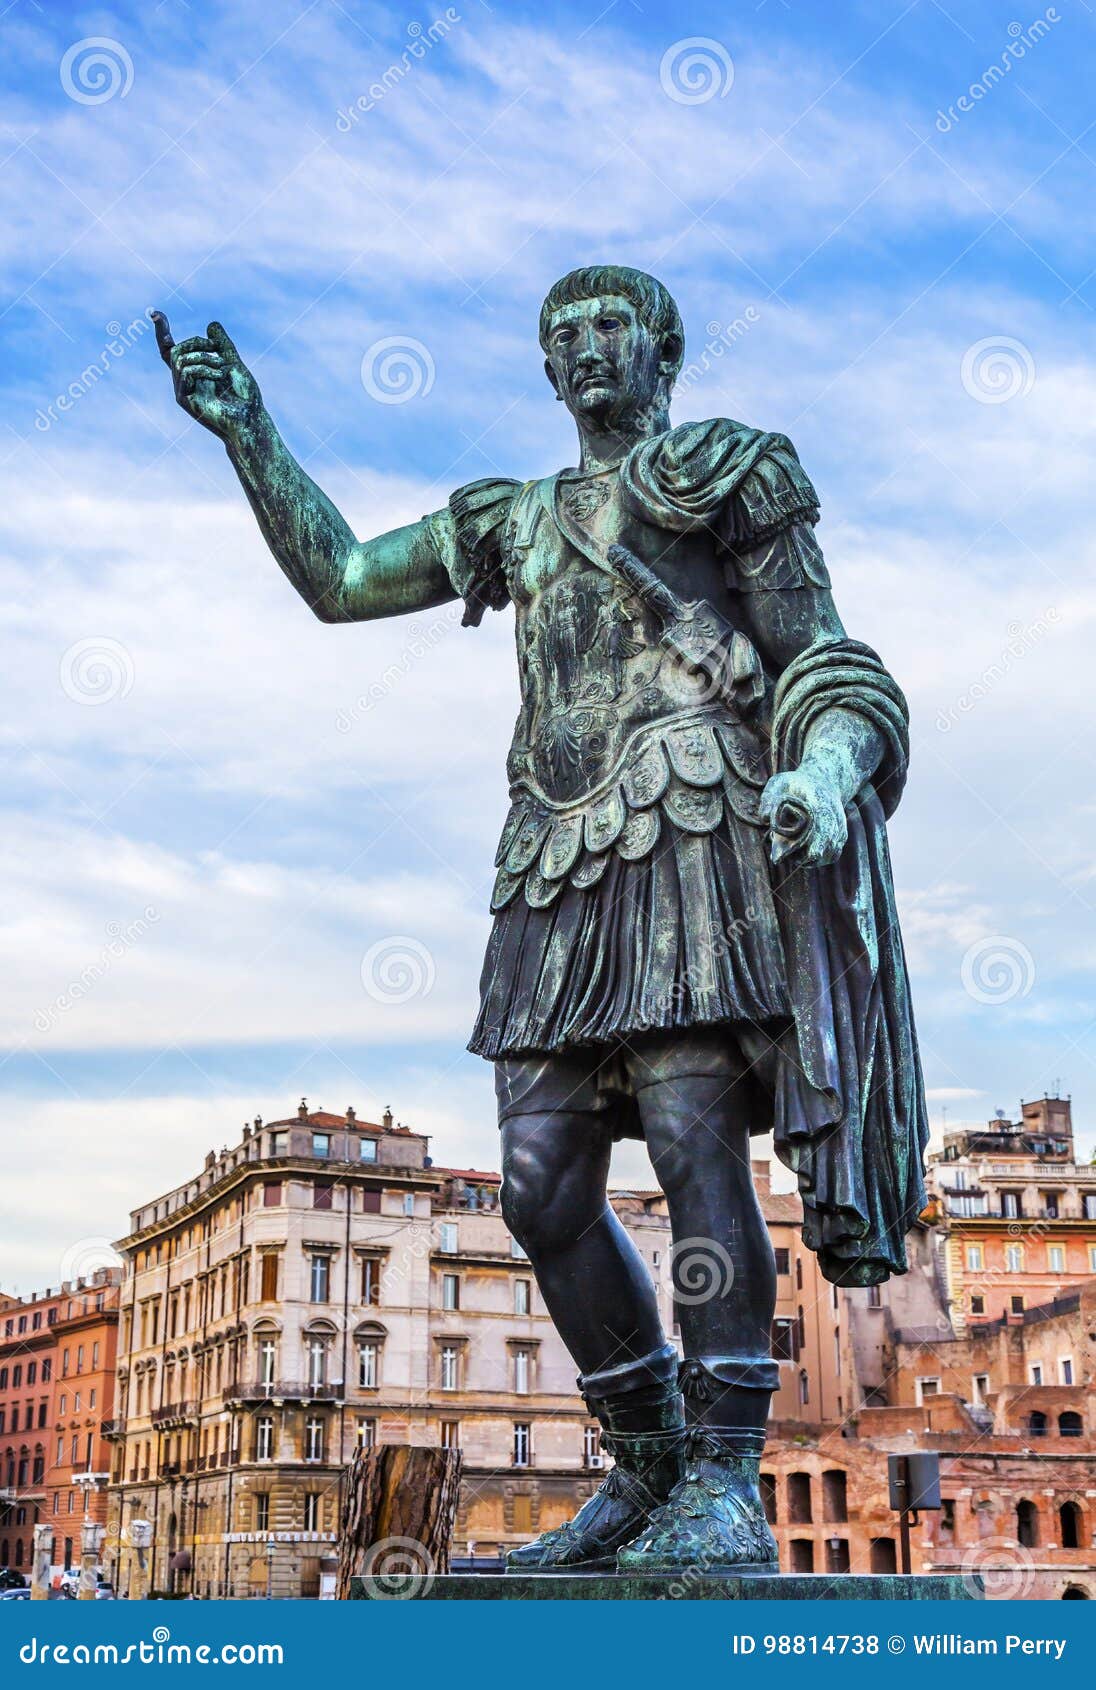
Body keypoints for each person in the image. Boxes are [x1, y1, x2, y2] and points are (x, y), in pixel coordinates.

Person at [153, 266, 927, 1574]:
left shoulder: (733, 470)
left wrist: (826, 766)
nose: (580, 345)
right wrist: (250, 434)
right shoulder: (515, 517)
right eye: (558, 332)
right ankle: (648, 1462)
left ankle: (725, 1481)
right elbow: (342, 576)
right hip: (554, 857)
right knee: (536, 1180)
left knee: (691, 1136)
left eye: (606, 323)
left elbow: (823, 657)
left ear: (664, 346)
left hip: (691, 821)